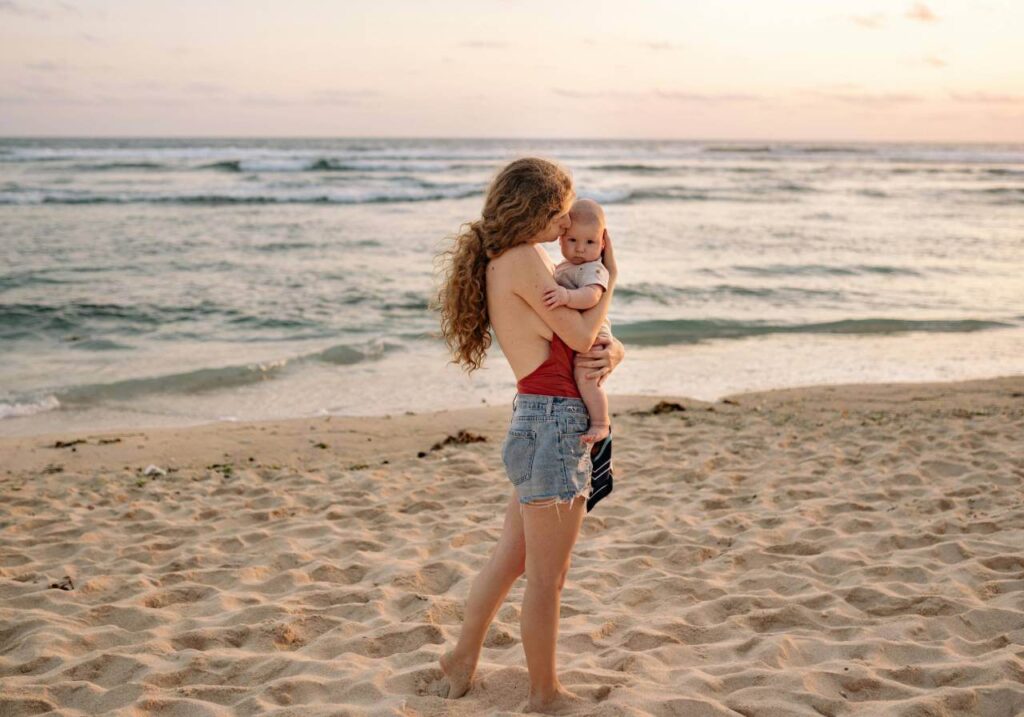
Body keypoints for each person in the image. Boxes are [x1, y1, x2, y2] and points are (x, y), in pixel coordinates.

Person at [434, 157, 624, 713]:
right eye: (562, 211)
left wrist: (614, 350)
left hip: (535, 417)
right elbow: (584, 330)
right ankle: (544, 695)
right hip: (555, 425)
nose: (568, 224)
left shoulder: (515, 258)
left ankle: (460, 659)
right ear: (539, 209)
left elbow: (594, 344)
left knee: (511, 561)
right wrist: (614, 278)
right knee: (548, 579)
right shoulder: (522, 260)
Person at [542, 198, 613, 444]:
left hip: (595, 335)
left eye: (590, 242)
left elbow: (591, 296)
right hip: (582, 331)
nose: (580, 249)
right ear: (561, 239)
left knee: (587, 375)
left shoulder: (593, 269)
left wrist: (566, 296)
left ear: (602, 243)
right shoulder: (564, 266)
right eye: (573, 240)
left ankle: (601, 423)